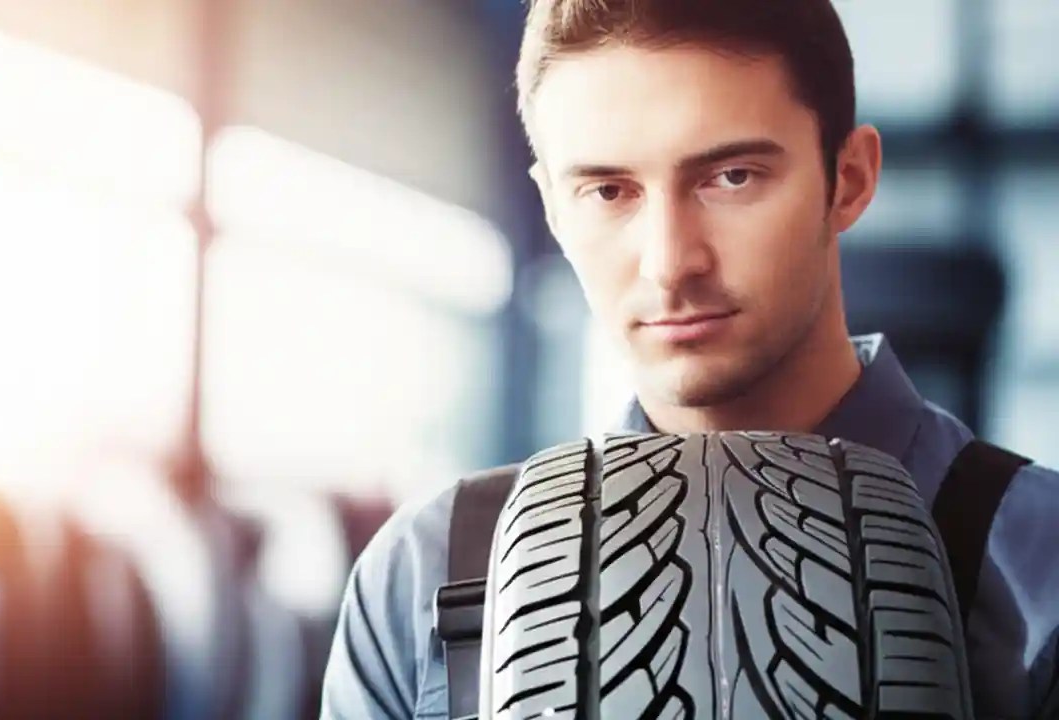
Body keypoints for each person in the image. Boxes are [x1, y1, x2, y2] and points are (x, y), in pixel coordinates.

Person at [319, 0, 1059, 717]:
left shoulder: (1044, 567)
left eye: (730, 177)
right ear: (552, 208)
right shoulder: (425, 575)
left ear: (851, 178)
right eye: (609, 191)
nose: (670, 263)